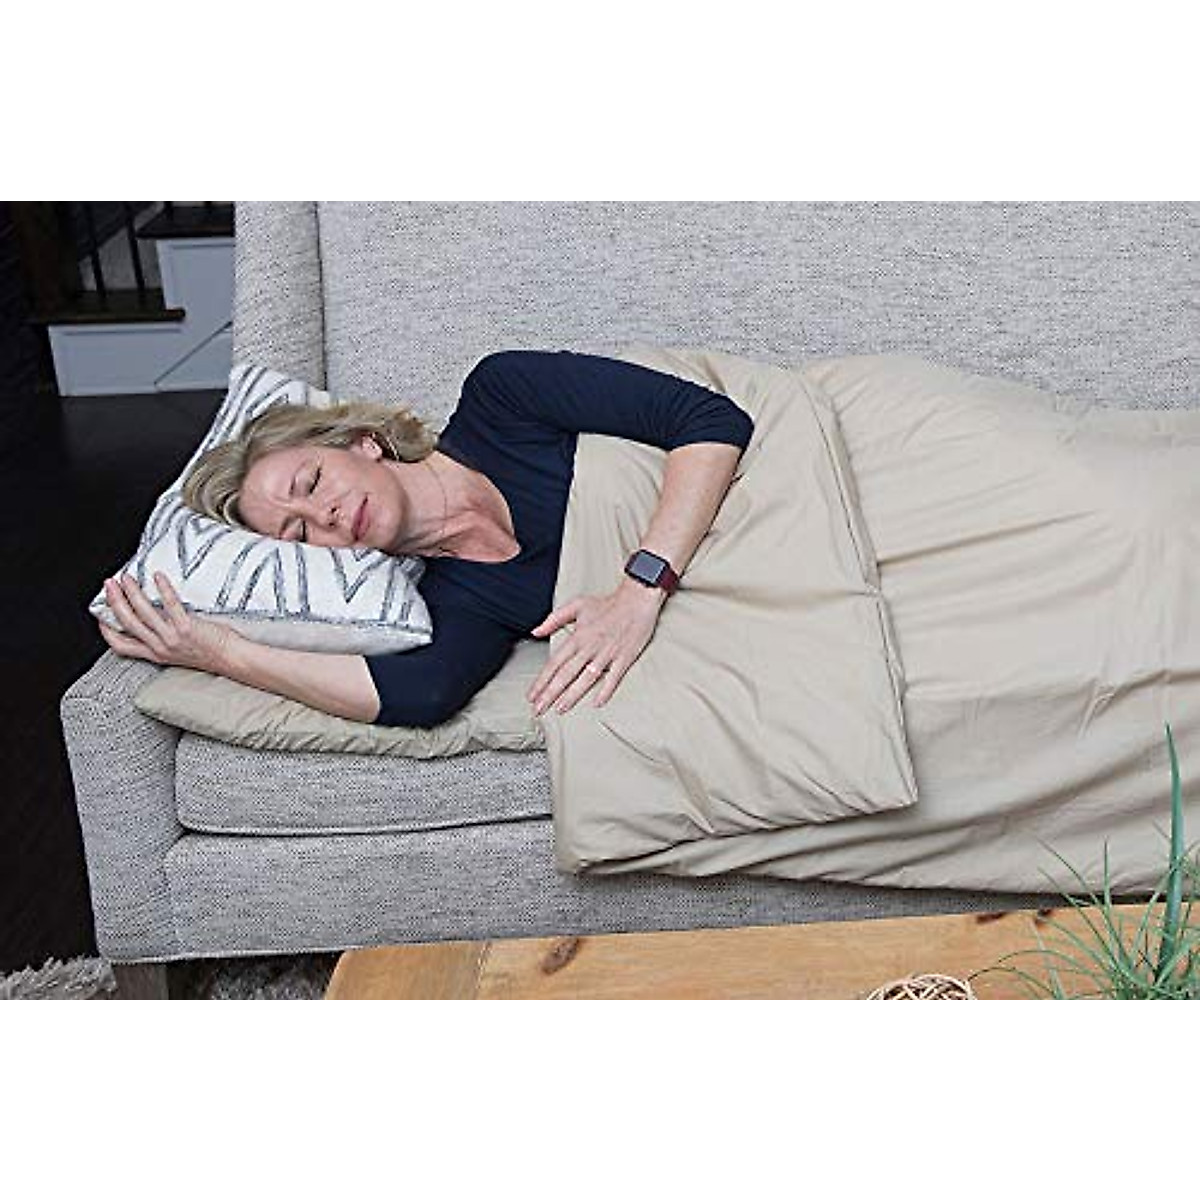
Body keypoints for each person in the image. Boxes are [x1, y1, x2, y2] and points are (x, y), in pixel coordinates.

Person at [97, 350, 755, 727]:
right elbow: (421, 695)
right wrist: (221, 652)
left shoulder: (503, 398)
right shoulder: (457, 600)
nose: (325, 516)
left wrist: (639, 591)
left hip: (768, 489)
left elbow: (711, 418)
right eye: (299, 533)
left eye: (313, 481)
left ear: (362, 442)